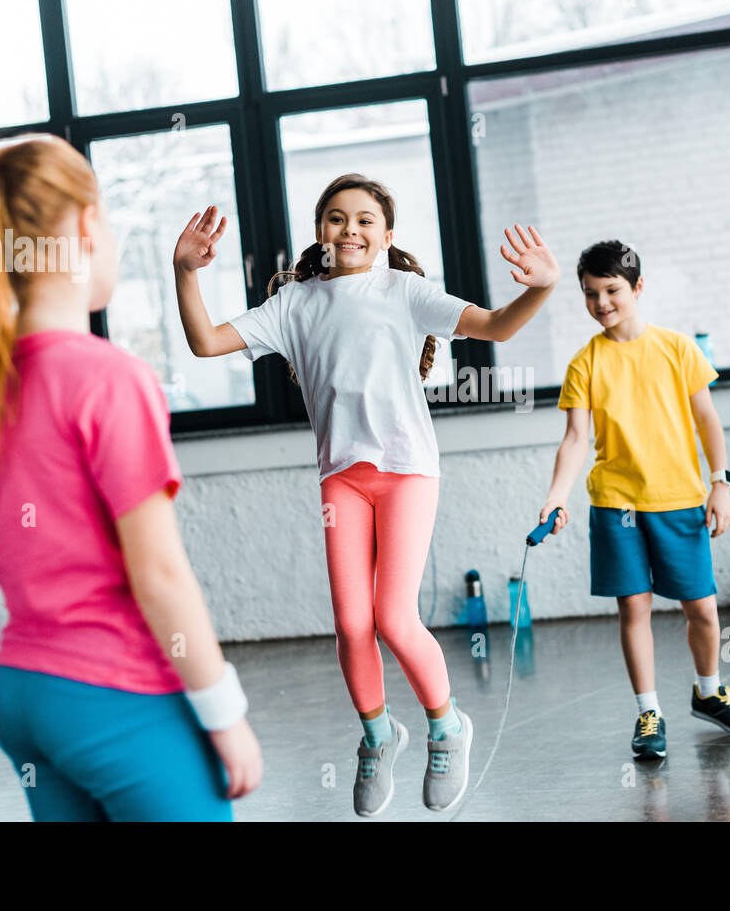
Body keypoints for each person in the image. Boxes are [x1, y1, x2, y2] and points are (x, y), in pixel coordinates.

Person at [172, 174, 560, 814]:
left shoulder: (404, 292)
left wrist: (541, 287)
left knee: (392, 616)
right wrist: (186, 273)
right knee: (352, 623)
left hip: (407, 470)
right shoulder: (294, 304)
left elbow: (495, 327)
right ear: (319, 230)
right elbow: (206, 341)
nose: (349, 230)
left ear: (386, 236)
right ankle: (379, 737)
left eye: (364, 220)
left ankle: (446, 726)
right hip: (341, 480)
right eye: (335, 218)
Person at [0, 133, 263, 820]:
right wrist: (224, 712)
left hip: (24, 693)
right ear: (87, 226)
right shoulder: (110, 378)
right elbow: (160, 574)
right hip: (111, 691)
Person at [536, 239, 730, 761]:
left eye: (612, 290)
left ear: (638, 287)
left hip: (679, 501)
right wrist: (556, 497)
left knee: (702, 612)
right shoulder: (584, 364)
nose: (602, 303)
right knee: (633, 610)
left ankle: (709, 693)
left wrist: (721, 482)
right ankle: (648, 712)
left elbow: (708, 419)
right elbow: (574, 439)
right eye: (591, 294)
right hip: (618, 505)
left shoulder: (680, 349)